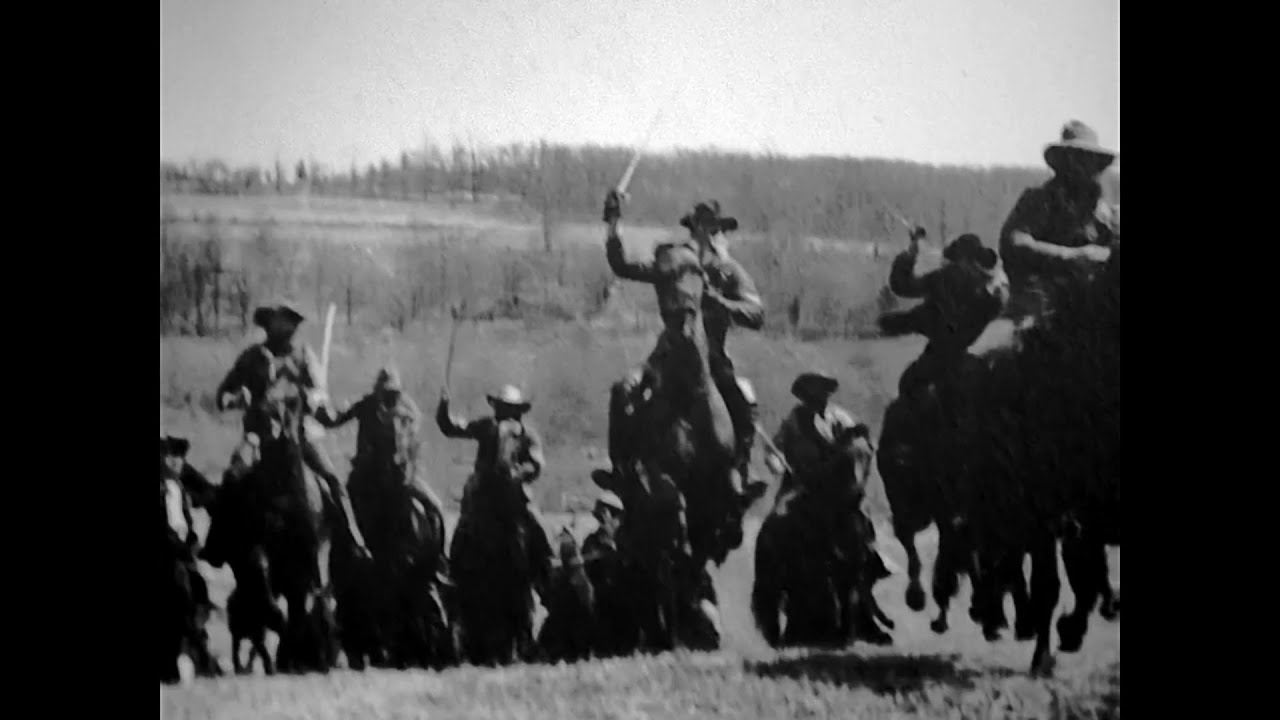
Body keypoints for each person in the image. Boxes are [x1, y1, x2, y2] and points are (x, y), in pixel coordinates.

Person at [603, 192, 769, 503]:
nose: (708, 232)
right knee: (622, 391)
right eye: (701, 225)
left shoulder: (729, 271)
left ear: (720, 231)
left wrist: (718, 302)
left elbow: (757, 313)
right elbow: (621, 265)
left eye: (714, 227)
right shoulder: (674, 263)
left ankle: (741, 473)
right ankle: (621, 469)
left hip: (714, 360)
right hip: (666, 357)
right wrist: (614, 222)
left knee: (745, 401)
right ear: (694, 228)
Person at [204, 299, 371, 566]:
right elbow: (221, 396)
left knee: (332, 481)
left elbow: (318, 395)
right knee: (232, 480)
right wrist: (237, 399)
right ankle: (215, 545)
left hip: (297, 435)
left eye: (294, 322)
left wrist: (315, 398)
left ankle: (352, 539)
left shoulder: (303, 356)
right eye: (286, 320)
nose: (291, 327)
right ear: (271, 323)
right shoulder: (251, 358)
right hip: (257, 438)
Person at [999, 120, 1119, 327]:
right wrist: (1072, 256)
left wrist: (1107, 254)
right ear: (1062, 162)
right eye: (1075, 158)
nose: (1082, 166)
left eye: (1089, 160)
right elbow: (1014, 242)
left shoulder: (1105, 212)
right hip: (1042, 297)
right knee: (1013, 338)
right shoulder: (1038, 200)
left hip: (1094, 300)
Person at [436, 384, 553, 587]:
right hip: (484, 493)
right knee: (464, 526)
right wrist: (444, 405)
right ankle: (454, 573)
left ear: (518, 411)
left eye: (509, 408)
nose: (504, 412)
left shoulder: (527, 435)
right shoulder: (485, 426)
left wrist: (519, 472)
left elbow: (536, 463)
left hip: (513, 495)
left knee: (536, 524)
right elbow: (451, 428)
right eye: (501, 407)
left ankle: (547, 575)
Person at [883, 228, 1009, 410]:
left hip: (941, 359)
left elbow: (902, 286)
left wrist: (912, 250)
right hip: (958, 356)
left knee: (911, 386)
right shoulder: (990, 291)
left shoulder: (945, 278)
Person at [315, 365, 446, 522]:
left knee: (434, 507)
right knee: (342, 506)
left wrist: (403, 422)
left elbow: (414, 425)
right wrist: (320, 408)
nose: (387, 396)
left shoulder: (406, 408)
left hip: (396, 473)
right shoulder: (366, 404)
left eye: (392, 393)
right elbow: (336, 419)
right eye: (384, 391)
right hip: (365, 471)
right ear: (377, 389)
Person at [159, 435, 222, 678]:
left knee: (195, 594)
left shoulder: (177, 483)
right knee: (179, 597)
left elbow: (187, 513)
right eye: (168, 455)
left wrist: (193, 537)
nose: (174, 461)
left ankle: (195, 654)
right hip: (166, 552)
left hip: (180, 552)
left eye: (177, 457)